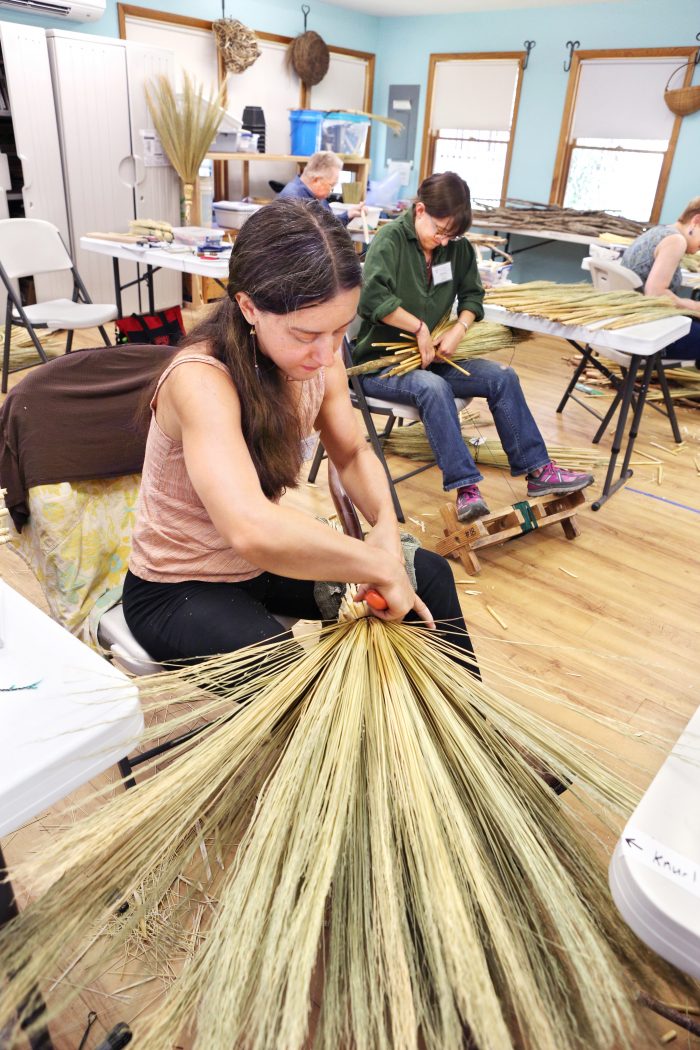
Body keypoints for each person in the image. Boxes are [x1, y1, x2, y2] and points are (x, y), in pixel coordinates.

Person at [121, 198, 477, 672]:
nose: (327, 355)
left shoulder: (321, 359)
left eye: (340, 330)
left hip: (259, 568)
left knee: (427, 575)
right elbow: (250, 528)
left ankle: (461, 713)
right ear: (249, 307)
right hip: (178, 586)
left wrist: (386, 532)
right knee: (293, 675)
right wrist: (374, 564)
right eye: (306, 335)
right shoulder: (200, 380)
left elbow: (352, 454)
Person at [353, 171, 594, 524]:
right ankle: (466, 488)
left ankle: (538, 470)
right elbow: (372, 298)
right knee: (433, 388)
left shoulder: (457, 249)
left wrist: (459, 328)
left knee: (502, 376)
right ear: (420, 210)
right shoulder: (390, 240)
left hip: (432, 358)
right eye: (439, 230)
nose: (443, 240)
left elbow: (472, 296)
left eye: (451, 235)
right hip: (381, 364)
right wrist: (419, 328)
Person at [621, 196, 700, 365]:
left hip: (629, 326)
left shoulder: (659, 232)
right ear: (696, 220)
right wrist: (694, 307)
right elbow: (655, 294)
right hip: (647, 335)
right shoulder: (676, 241)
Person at [278, 150, 365, 227]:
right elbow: (321, 232)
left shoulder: (316, 196)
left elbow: (328, 224)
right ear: (316, 180)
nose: (331, 191)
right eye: (331, 185)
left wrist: (348, 215)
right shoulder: (293, 201)